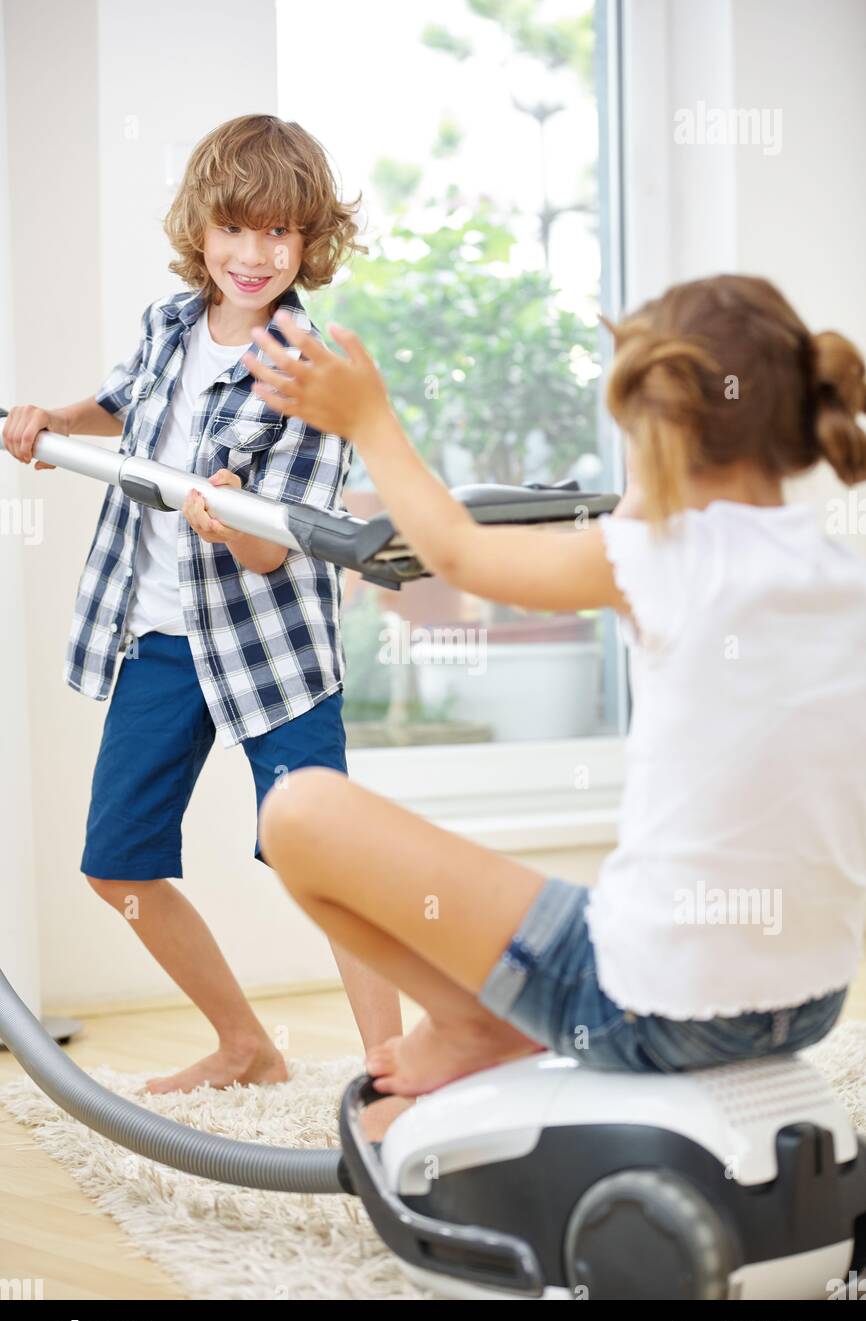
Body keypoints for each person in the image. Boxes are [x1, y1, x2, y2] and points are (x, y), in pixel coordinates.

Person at [245, 273, 866, 1100]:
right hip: (812, 999)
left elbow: (456, 554)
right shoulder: (844, 575)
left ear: (665, 431)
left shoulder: (667, 559)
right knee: (606, 898)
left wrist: (369, 421)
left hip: (651, 1007)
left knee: (298, 812)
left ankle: (472, 1022)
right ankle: (497, 1019)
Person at [5, 115, 403, 1113]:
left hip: (269, 650)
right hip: (157, 638)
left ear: (310, 244)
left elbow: (283, 543)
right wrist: (54, 419)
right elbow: (120, 405)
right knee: (117, 861)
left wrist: (232, 522)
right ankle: (244, 1045)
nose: (255, 255)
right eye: (238, 229)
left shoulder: (309, 367)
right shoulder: (166, 326)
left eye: (280, 235)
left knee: (327, 863)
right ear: (203, 229)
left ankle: (396, 1078)